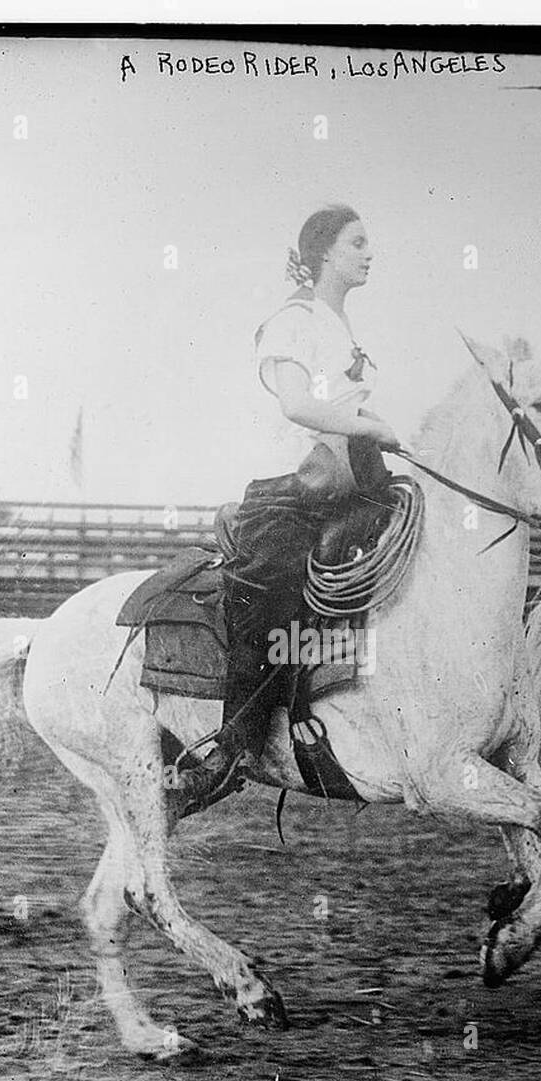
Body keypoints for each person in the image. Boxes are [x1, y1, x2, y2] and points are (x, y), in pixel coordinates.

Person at [175, 205, 401, 816]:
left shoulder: (342, 327)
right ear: (324, 253)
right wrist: (370, 425)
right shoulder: (292, 322)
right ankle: (233, 744)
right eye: (358, 243)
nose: (368, 253)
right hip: (287, 492)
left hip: (350, 481)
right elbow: (298, 407)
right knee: (270, 591)